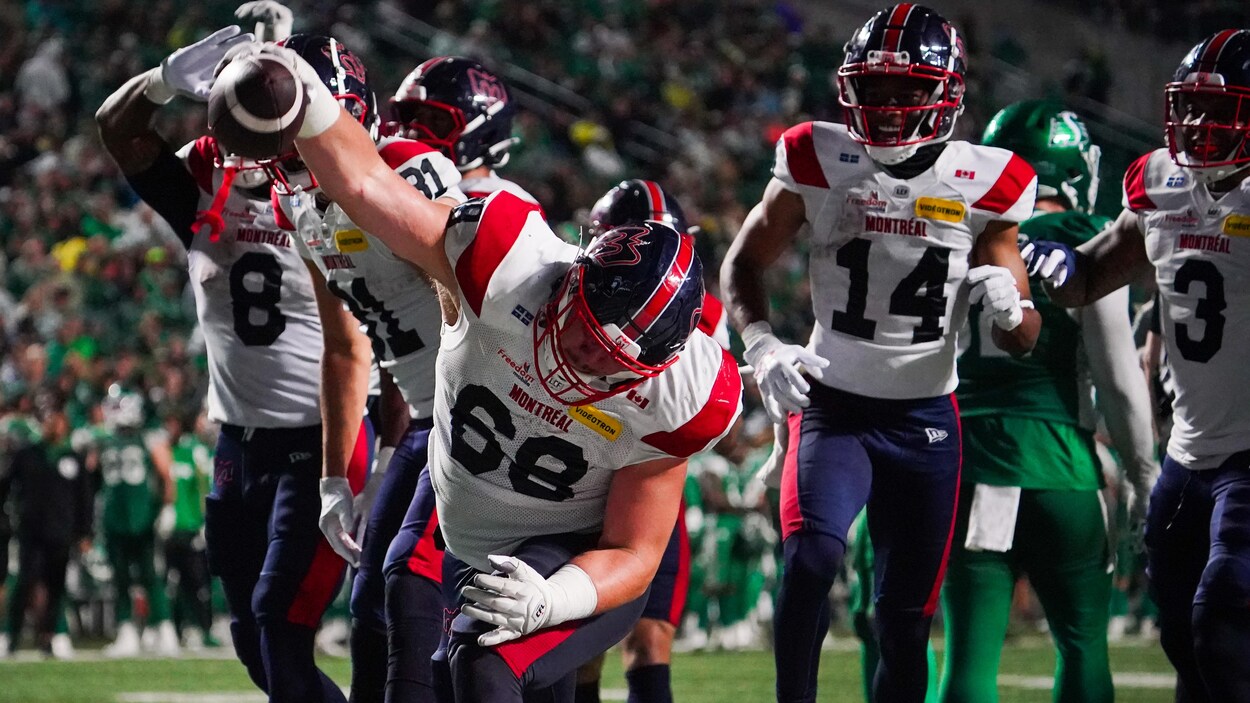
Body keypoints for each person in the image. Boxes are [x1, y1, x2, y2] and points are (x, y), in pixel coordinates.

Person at [217, 40, 743, 703]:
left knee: (482, 656)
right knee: (421, 615)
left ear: (656, 366)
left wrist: (556, 595)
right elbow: (364, 184)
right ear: (574, 277)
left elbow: (637, 552)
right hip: (468, 503)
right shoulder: (508, 268)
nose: (583, 360)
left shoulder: (684, 393)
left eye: (612, 364)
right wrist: (302, 93)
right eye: (583, 332)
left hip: (571, 546)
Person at [719, 6, 1040, 701]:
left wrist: (1013, 309)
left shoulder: (987, 179)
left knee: (901, 620)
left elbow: (1025, 336)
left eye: (906, 91)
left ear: (947, 92)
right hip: (831, 403)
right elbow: (744, 260)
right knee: (811, 558)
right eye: (874, 88)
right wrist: (763, 341)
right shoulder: (816, 153)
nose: (887, 107)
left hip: (926, 419)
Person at [95, 22, 370, 702]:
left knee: (284, 625)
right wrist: (161, 79)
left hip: (322, 438)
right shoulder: (205, 180)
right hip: (237, 444)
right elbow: (117, 128)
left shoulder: (346, 194)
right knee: (251, 638)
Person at [1020, 29, 1250, 703]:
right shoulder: (1159, 180)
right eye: (1194, 107)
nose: (1203, 124)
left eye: (1223, 108)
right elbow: (1090, 273)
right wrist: (1057, 265)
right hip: (1188, 452)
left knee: (1223, 616)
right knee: (1181, 636)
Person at [263, 33, 463, 703]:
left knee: (412, 588)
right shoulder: (296, 202)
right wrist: (332, 478)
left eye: (295, 135)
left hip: (482, 415)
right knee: (370, 602)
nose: (283, 156)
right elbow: (346, 346)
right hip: (424, 419)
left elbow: (477, 300)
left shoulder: (413, 170)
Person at [940, 100, 1159, 703]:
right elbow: (1117, 374)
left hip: (972, 460)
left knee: (967, 662)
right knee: (1084, 647)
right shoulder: (1079, 237)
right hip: (1059, 461)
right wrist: (1143, 476)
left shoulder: (959, 231)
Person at [377, 56, 539, 703]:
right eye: (408, 118)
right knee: (394, 599)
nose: (416, 133)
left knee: (435, 598)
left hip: (493, 438)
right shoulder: (410, 196)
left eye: (432, 121)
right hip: (432, 419)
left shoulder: (501, 209)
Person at [572, 179, 725, 703]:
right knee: (579, 650)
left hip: (647, 487)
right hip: (581, 485)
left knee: (650, 636)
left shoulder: (703, 315)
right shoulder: (573, 290)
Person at [0, 398, 92, 657]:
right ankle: (11, 635)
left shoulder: (72, 458)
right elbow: (5, 486)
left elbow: (84, 499)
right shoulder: (27, 454)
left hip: (62, 534)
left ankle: (49, 637)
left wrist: (85, 532)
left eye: (58, 420)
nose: (54, 425)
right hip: (31, 531)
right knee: (25, 582)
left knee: (56, 587)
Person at [95, 386, 178, 657]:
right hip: (119, 517)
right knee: (125, 578)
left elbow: (166, 474)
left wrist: (167, 508)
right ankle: (130, 632)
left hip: (140, 517)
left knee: (149, 575)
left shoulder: (147, 438)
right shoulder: (106, 440)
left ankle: (163, 629)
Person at [388, 56, 539, 204]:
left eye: (437, 120)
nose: (415, 131)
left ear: (484, 136)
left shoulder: (503, 204)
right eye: (412, 116)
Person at [163, 411, 216, 650]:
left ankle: (203, 628)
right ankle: (180, 628)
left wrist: (205, 521)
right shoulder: (167, 450)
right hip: (172, 527)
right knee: (174, 582)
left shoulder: (195, 450)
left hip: (191, 526)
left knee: (197, 582)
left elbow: (205, 486)